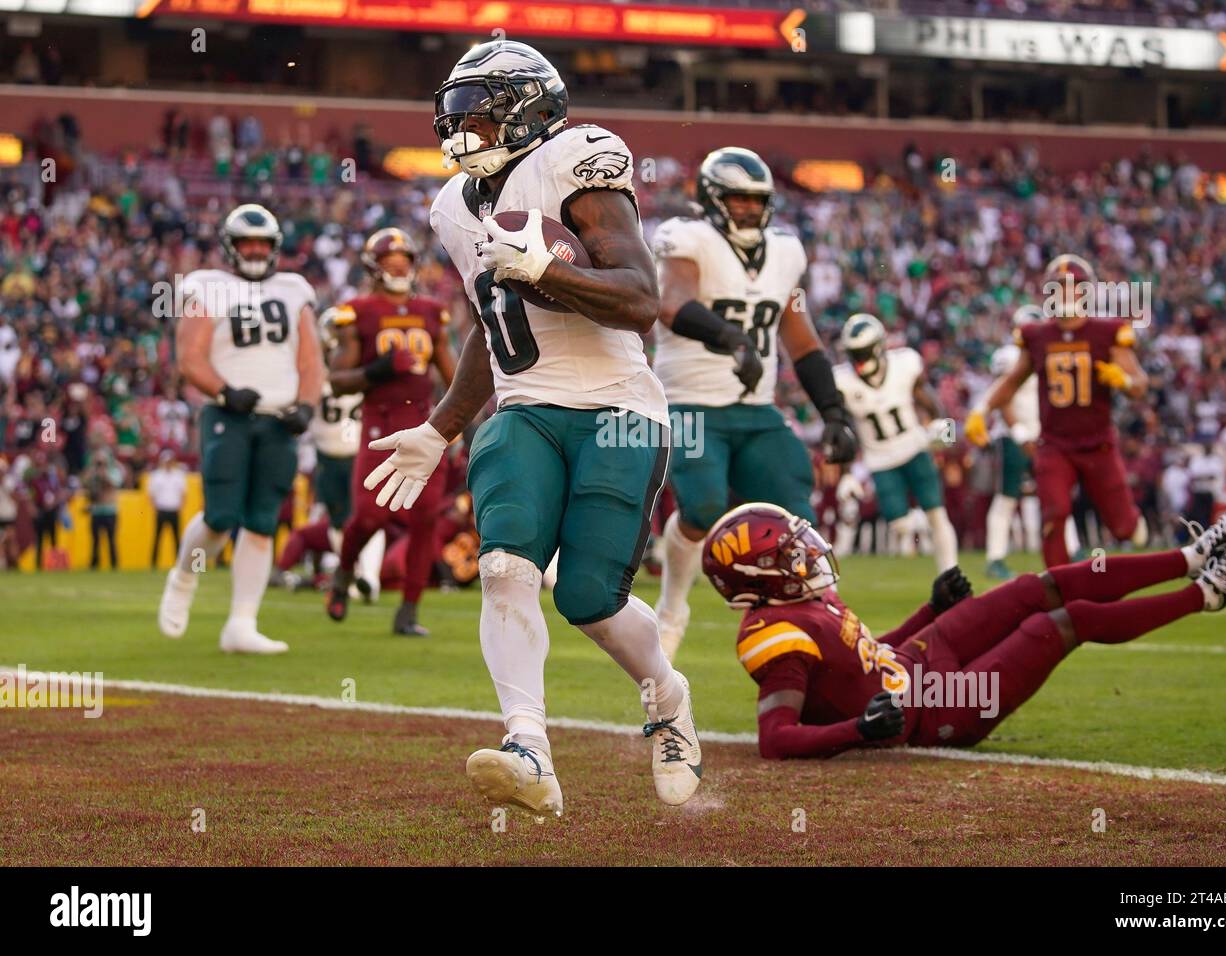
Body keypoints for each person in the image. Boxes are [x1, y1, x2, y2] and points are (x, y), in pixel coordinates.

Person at [363, 40, 701, 815]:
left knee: (589, 598)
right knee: (504, 568)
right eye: (457, 114)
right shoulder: (452, 204)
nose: (463, 130)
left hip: (617, 405)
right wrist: (443, 426)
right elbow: (491, 321)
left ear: (527, 110)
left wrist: (549, 270)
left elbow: (639, 298)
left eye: (480, 114)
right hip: (524, 407)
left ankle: (668, 697)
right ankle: (529, 747)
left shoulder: (577, 160)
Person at [703, 499, 1226, 759]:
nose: (807, 555)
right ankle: (1205, 594)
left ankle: (1190, 556)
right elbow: (776, 740)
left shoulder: (808, 597)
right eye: (790, 553)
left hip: (919, 658)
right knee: (1062, 624)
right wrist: (859, 732)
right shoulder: (773, 637)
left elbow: (867, 655)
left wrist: (928, 611)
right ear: (760, 579)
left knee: (1030, 587)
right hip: (937, 709)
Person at [648, 147, 859, 660]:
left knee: (797, 523)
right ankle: (673, 604)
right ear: (713, 199)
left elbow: (801, 338)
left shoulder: (786, 252)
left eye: (756, 200)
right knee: (702, 507)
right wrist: (731, 339)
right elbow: (673, 303)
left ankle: (821, 635)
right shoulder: (686, 238)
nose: (748, 209)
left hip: (756, 408)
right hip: (690, 402)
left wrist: (834, 411)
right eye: (738, 199)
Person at [157, 203, 323, 654]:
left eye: (262, 243)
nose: (254, 250)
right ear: (231, 247)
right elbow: (190, 356)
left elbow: (310, 359)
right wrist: (225, 391)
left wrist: (307, 406)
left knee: (262, 522)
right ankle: (184, 576)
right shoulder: (207, 285)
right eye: (246, 242)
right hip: (227, 415)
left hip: (277, 419)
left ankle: (241, 624)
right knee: (220, 516)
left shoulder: (293, 289)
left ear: (274, 248)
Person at [964, 254, 1149, 567]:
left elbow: (1140, 383)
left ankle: (1132, 524)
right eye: (1058, 288)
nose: (1065, 294)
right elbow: (1011, 382)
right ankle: (1057, 587)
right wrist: (982, 409)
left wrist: (1125, 381)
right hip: (1054, 444)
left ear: (1086, 291)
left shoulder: (1108, 332)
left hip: (1098, 443)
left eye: (1072, 288)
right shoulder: (1037, 335)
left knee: (1123, 528)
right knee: (1054, 513)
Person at [324, 229, 456, 636]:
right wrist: (374, 371)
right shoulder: (356, 310)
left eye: (404, 262)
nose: (398, 269)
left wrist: (468, 420)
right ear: (373, 268)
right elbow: (338, 379)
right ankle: (344, 572)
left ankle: (408, 612)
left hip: (424, 424)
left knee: (425, 519)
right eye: (389, 263)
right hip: (380, 426)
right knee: (370, 516)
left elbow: (452, 375)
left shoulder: (433, 311)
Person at [834, 313, 956, 571]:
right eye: (854, 353)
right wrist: (846, 473)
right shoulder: (842, 382)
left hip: (914, 448)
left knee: (938, 513)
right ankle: (921, 525)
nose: (859, 359)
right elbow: (842, 430)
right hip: (879, 459)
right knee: (899, 523)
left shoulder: (905, 364)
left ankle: (950, 572)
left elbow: (931, 403)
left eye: (864, 352)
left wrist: (942, 430)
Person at [980, 305, 1042, 579]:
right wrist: (1020, 433)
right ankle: (995, 557)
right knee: (1006, 498)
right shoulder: (1008, 356)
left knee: (1056, 495)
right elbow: (1002, 396)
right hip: (1014, 438)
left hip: (1044, 437)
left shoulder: (1049, 355)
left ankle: (1072, 551)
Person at [84, 449, 123, 570]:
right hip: (96, 510)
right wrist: (92, 472)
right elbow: (85, 483)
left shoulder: (114, 472)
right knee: (95, 540)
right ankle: (94, 564)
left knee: (111, 539)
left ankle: (114, 563)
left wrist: (104, 474)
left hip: (110, 510)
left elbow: (114, 484)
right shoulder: (92, 473)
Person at [147, 450, 188, 568]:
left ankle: (179, 563)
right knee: (157, 538)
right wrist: (155, 507)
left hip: (174, 510)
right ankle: (153, 563)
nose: (168, 464)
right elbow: (151, 495)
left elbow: (183, 494)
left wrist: (180, 507)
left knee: (176, 538)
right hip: (161, 510)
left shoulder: (179, 475)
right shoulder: (156, 475)